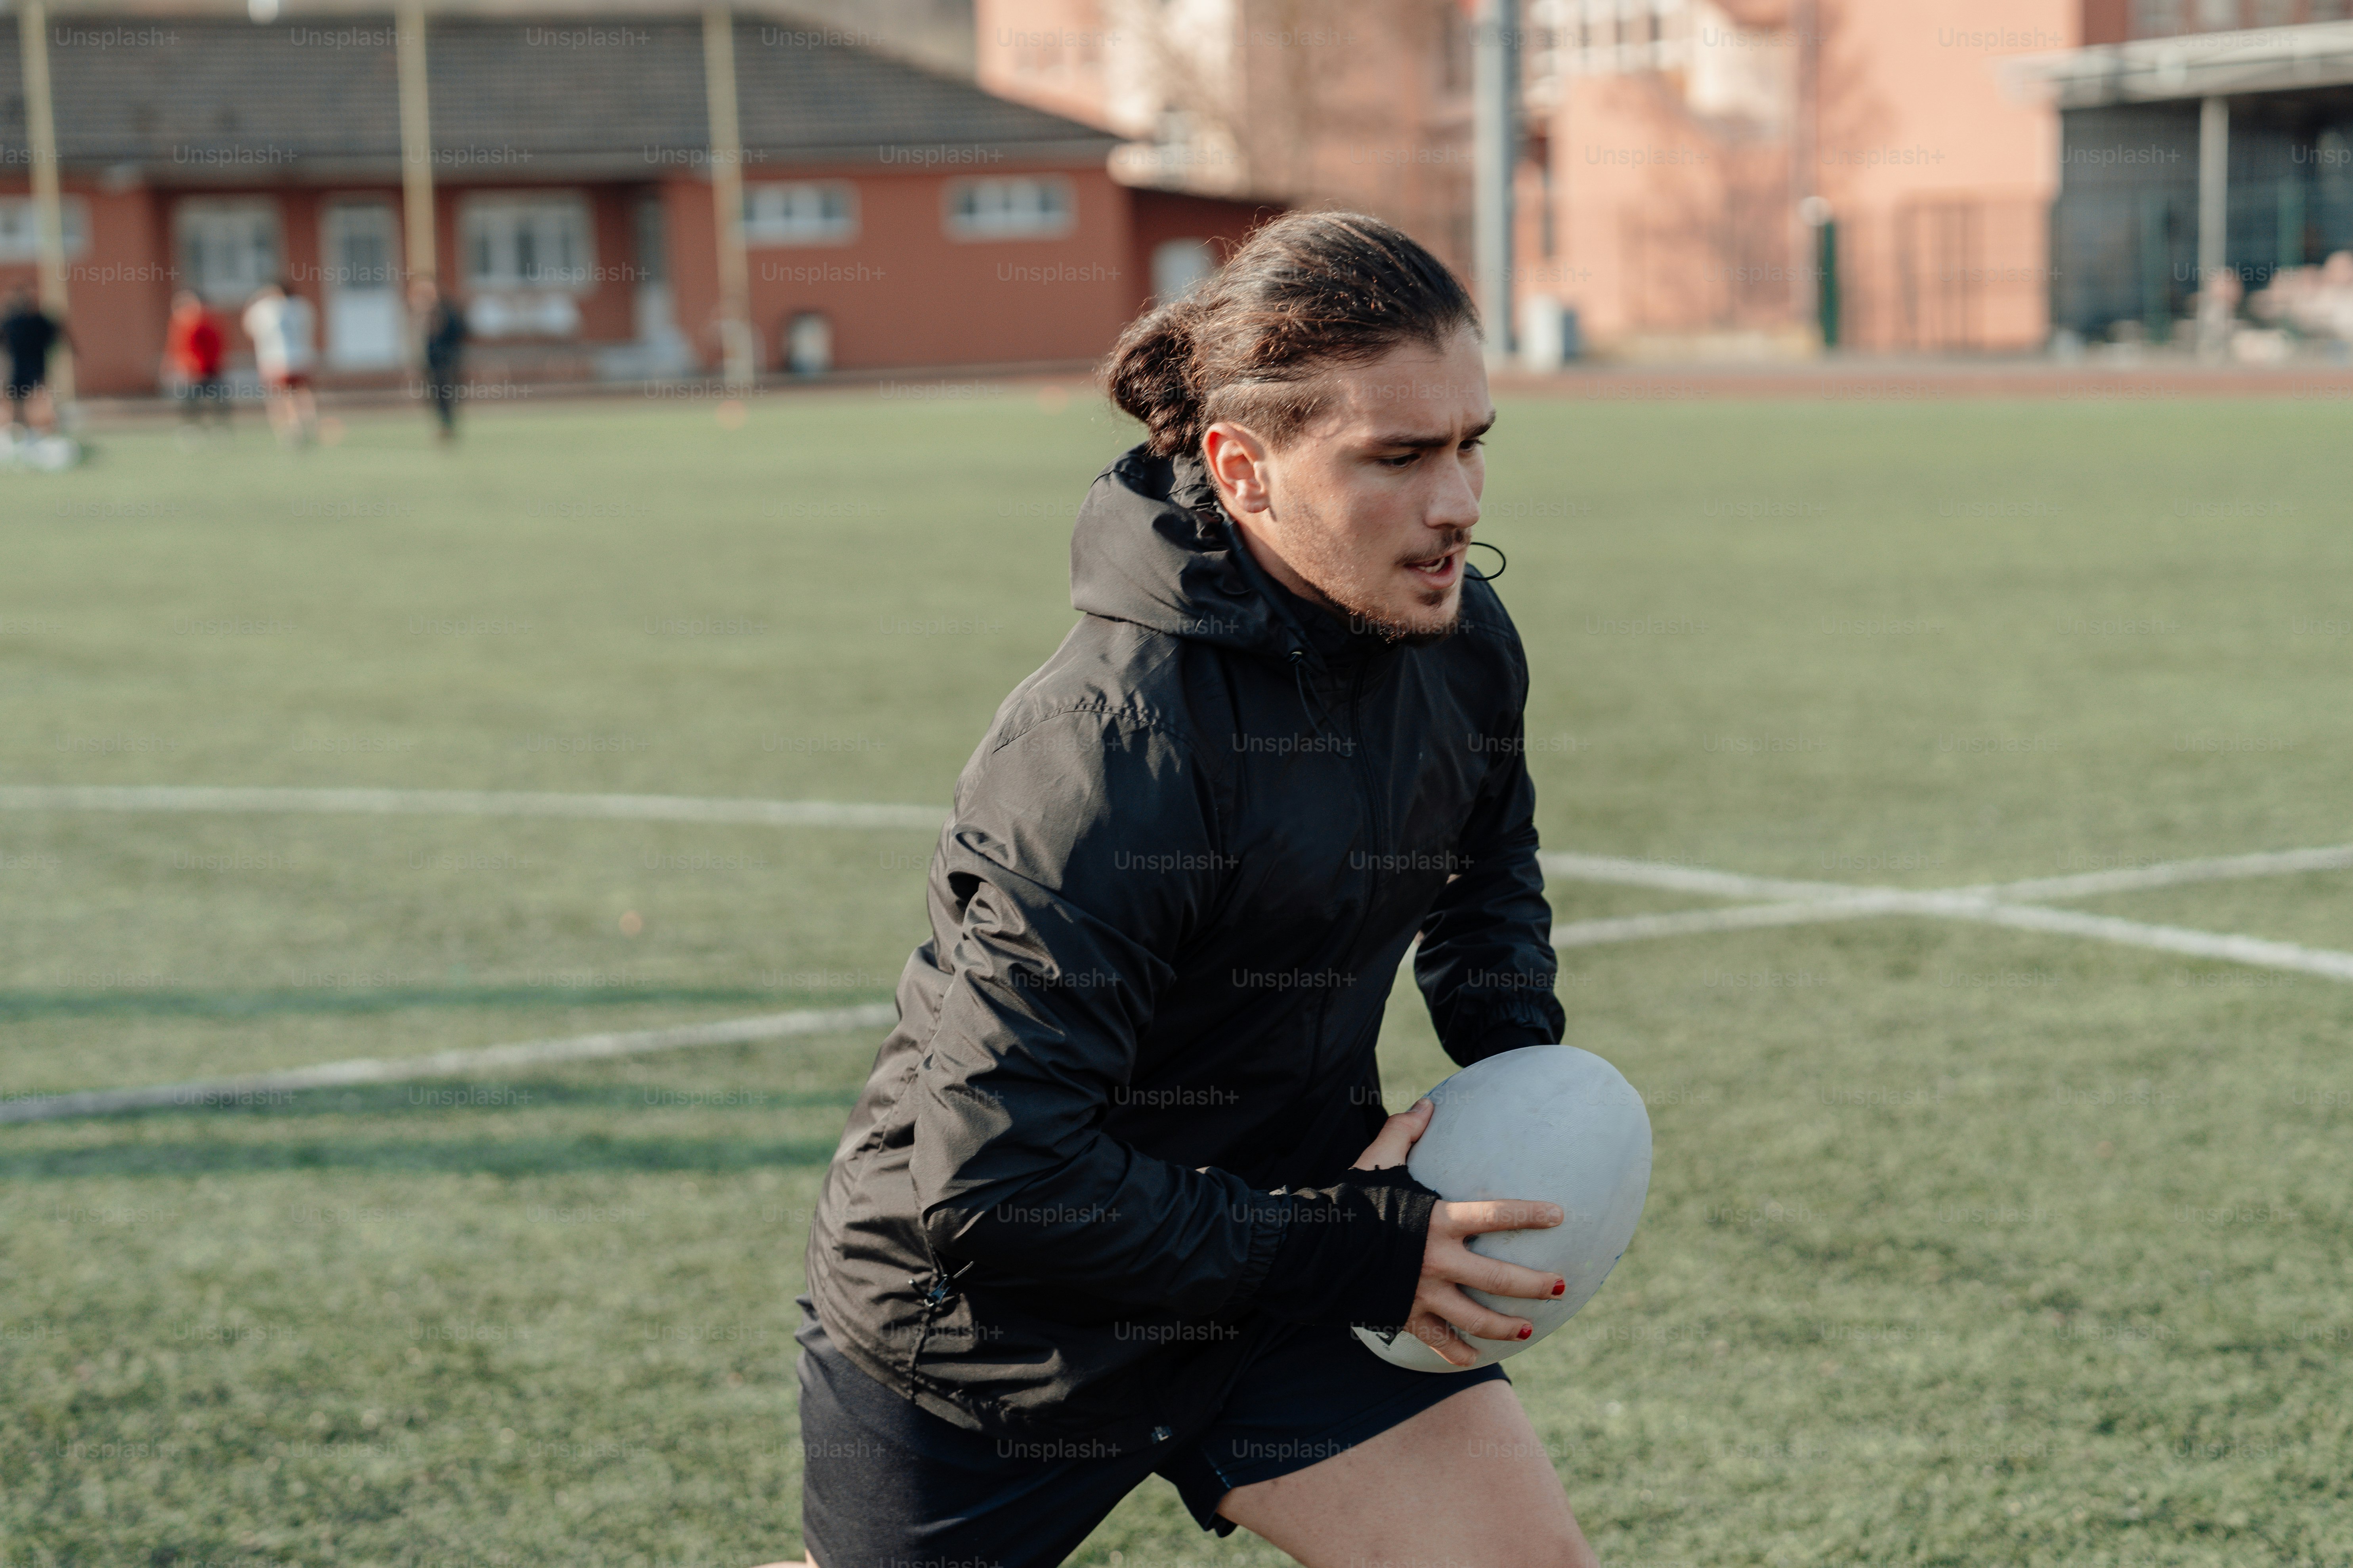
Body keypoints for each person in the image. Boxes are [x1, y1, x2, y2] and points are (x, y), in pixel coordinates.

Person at [795, 211, 1597, 1568]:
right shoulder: (1105, 756)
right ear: (1242, 469)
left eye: (1469, 443)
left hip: (1284, 1269)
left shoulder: (1457, 640)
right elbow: (992, 1182)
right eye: (1394, 457)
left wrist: (1515, 1056)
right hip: (998, 1346)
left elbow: (1483, 860)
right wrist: (1350, 1250)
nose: (1454, 500)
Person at [240, 280, 318, 445]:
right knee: (302, 393)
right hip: (301, 357)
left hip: (274, 359)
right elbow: (310, 327)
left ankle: (289, 429)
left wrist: (257, 299)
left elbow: (249, 329)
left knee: (279, 397)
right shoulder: (301, 306)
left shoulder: (263, 308)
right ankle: (308, 423)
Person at [2, 288, 69, 437]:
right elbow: (59, 332)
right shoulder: (38, 321)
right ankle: (40, 432)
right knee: (35, 401)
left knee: (20, 402)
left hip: (20, 369)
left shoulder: (12, 323)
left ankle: (25, 432)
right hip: (33, 369)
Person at [410, 278, 467, 443]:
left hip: (447, 361)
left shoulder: (447, 311)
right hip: (433, 362)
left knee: (447, 394)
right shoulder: (424, 314)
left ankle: (448, 426)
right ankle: (443, 426)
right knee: (435, 395)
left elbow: (460, 332)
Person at [164, 290, 230, 430]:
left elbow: (216, 346)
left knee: (217, 400)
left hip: (207, 370)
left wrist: (213, 366)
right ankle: (193, 427)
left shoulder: (204, 323)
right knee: (190, 402)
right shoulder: (179, 325)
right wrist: (174, 367)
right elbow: (176, 349)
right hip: (190, 371)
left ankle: (220, 428)